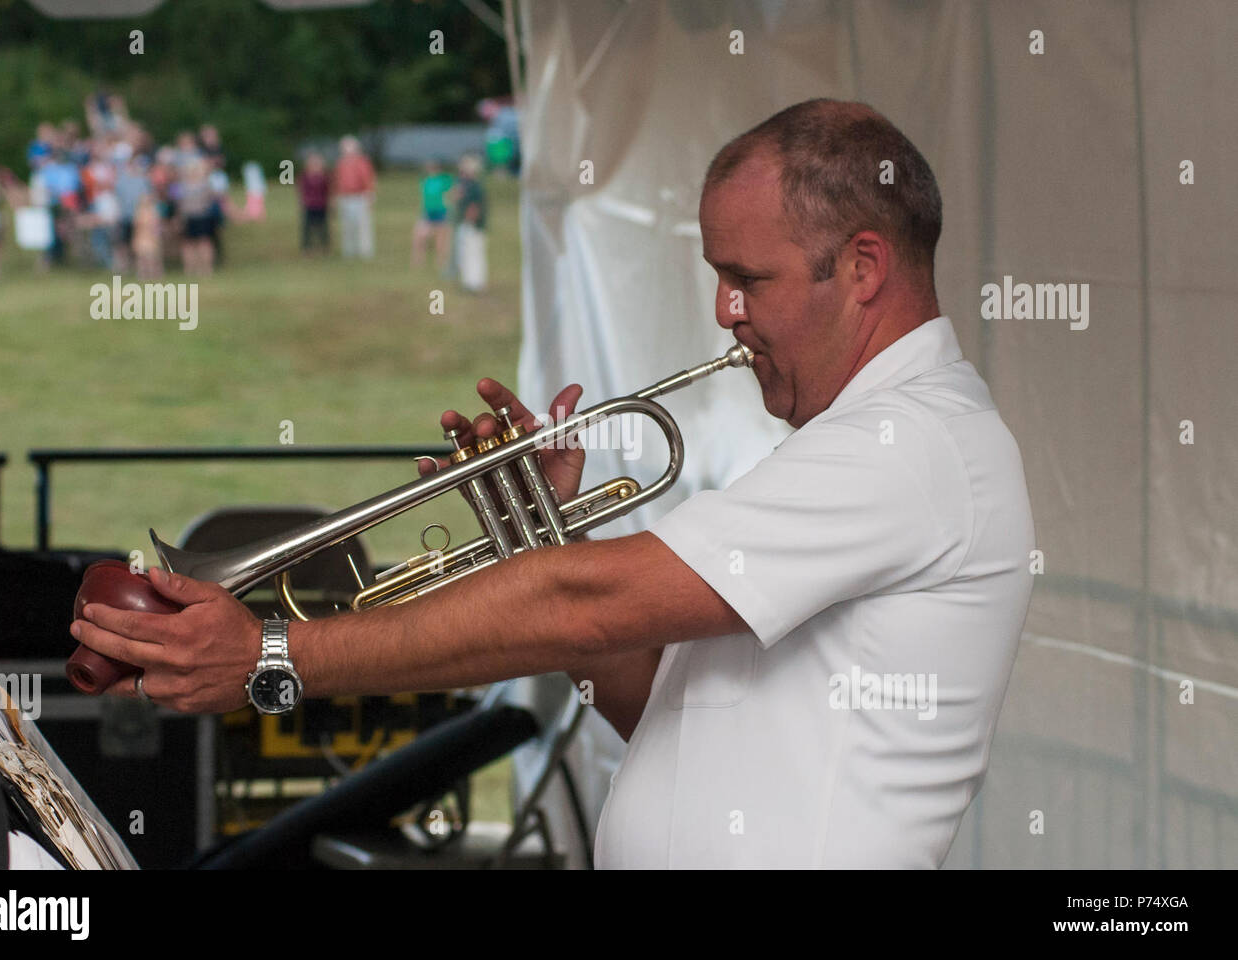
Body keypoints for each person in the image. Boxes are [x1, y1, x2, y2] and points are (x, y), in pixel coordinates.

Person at [73, 100, 1035, 869]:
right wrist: (543, 541)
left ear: (863, 266)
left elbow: (583, 608)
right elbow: (649, 702)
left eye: (749, 279)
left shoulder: (911, 442)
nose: (723, 311)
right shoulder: (859, 442)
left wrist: (275, 657)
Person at [332, 135, 377, 260]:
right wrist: (336, 197)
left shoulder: (363, 162)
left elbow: (369, 179)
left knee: (363, 225)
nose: (347, 151)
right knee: (347, 226)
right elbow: (337, 181)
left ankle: (365, 251)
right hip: (345, 197)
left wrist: (370, 195)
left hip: (360, 196)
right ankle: (349, 251)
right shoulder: (340, 164)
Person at [451, 153, 488, 292]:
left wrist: (469, 222)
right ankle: (469, 281)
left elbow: (474, 207)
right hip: (469, 224)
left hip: (472, 225)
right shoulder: (465, 184)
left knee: (473, 254)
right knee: (468, 255)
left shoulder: (474, 186)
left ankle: (475, 282)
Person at [411, 159, 452, 270]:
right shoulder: (425, 181)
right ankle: (418, 262)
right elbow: (423, 197)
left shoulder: (445, 180)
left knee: (440, 240)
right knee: (419, 237)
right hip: (428, 212)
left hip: (441, 212)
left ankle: (441, 263)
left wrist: (449, 205)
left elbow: (450, 193)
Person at [298, 151, 330, 253]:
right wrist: (303, 202)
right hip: (310, 205)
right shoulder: (305, 176)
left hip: (321, 205)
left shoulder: (324, 177)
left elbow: (327, 190)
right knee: (307, 228)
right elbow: (302, 190)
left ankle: (324, 246)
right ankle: (307, 248)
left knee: (322, 227)